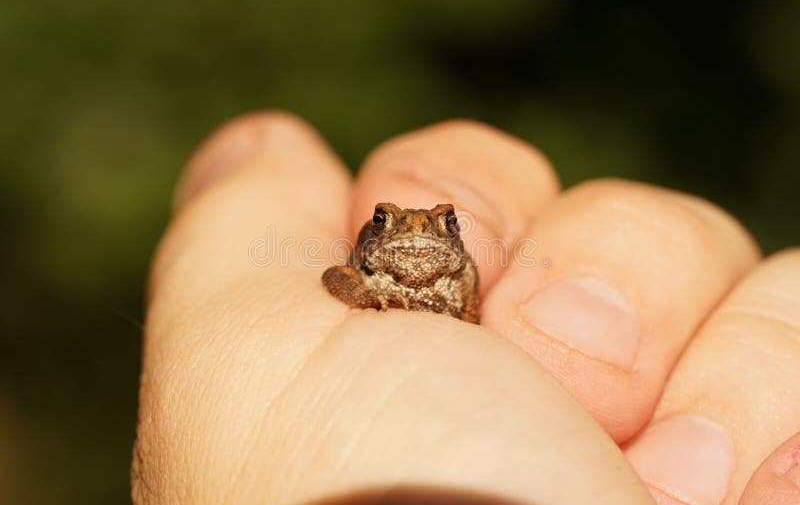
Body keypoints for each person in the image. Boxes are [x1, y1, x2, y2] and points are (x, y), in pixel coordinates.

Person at [131, 111, 800, 504]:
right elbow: (338, 280)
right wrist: (373, 291)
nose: (416, 230)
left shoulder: (461, 280)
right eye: (391, 219)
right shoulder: (358, 269)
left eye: (442, 220)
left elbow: (470, 307)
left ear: (456, 234)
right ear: (375, 230)